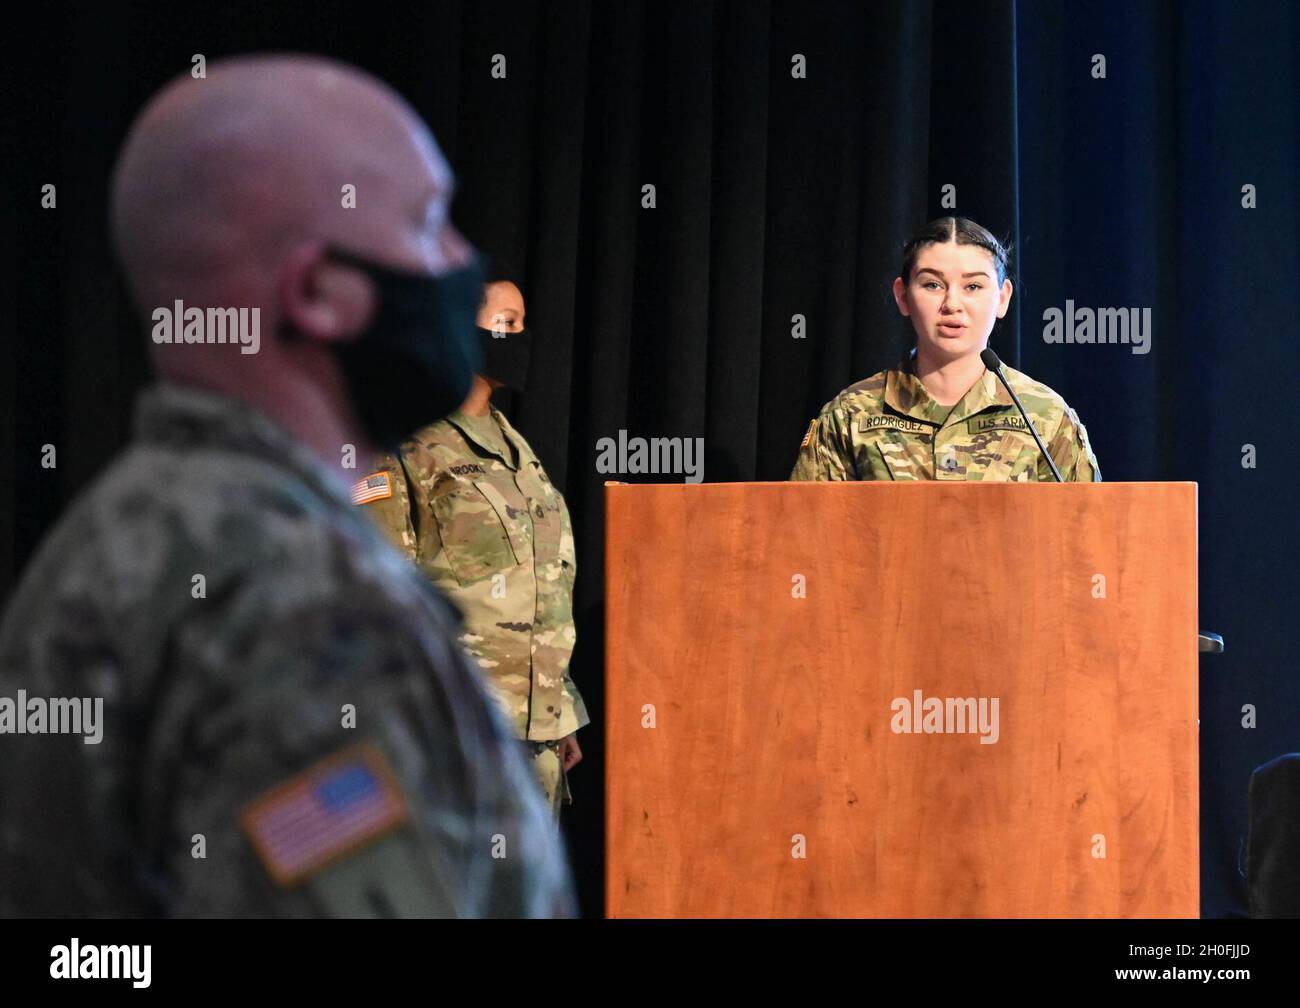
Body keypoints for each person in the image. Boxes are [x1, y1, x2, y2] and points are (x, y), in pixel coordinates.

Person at [0, 55, 572, 917]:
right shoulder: (307, 610)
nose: (458, 263)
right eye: (427, 224)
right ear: (317, 289)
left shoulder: (109, 546)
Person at [355, 273, 588, 818]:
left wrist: (560, 705)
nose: (520, 337)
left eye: (523, 324)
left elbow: (543, 583)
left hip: (538, 738)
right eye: (506, 323)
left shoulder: (517, 449)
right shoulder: (405, 448)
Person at [790, 217, 1100, 482]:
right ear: (902, 295)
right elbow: (807, 536)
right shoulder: (852, 415)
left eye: (973, 287)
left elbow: (1087, 535)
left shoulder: (1043, 415)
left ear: (1003, 298)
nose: (952, 304)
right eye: (932, 285)